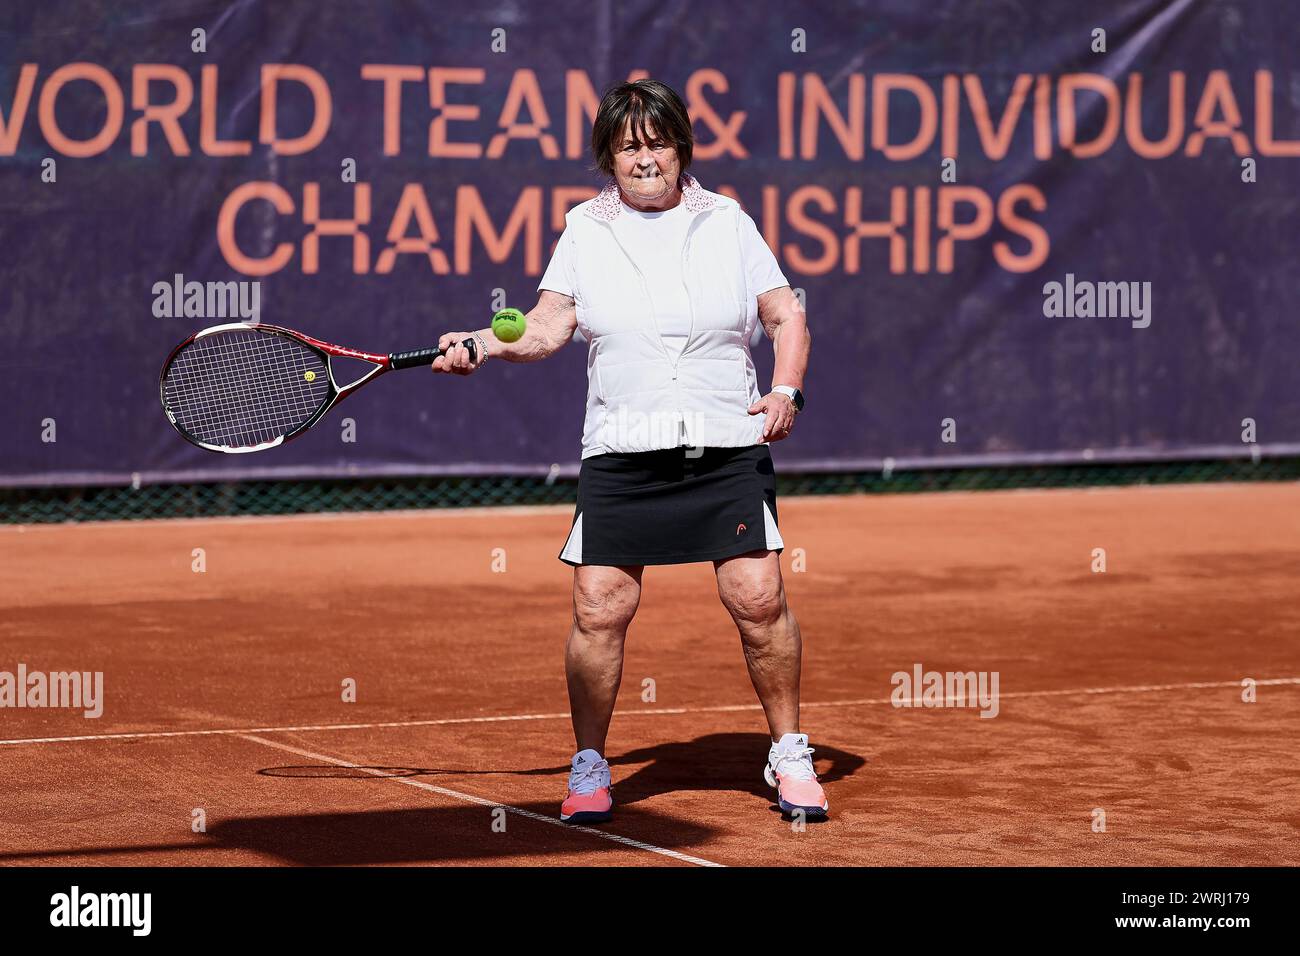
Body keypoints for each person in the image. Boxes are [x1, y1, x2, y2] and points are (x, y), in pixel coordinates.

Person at [432, 79, 825, 823]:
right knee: (599, 607)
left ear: (681, 147)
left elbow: (786, 314)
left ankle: (789, 750)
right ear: (608, 157)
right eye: (628, 146)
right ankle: (589, 766)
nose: (645, 158)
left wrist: (787, 391)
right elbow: (545, 328)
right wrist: (479, 344)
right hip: (622, 451)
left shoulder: (729, 222)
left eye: (658, 143)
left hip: (723, 444)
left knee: (759, 599)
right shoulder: (585, 228)